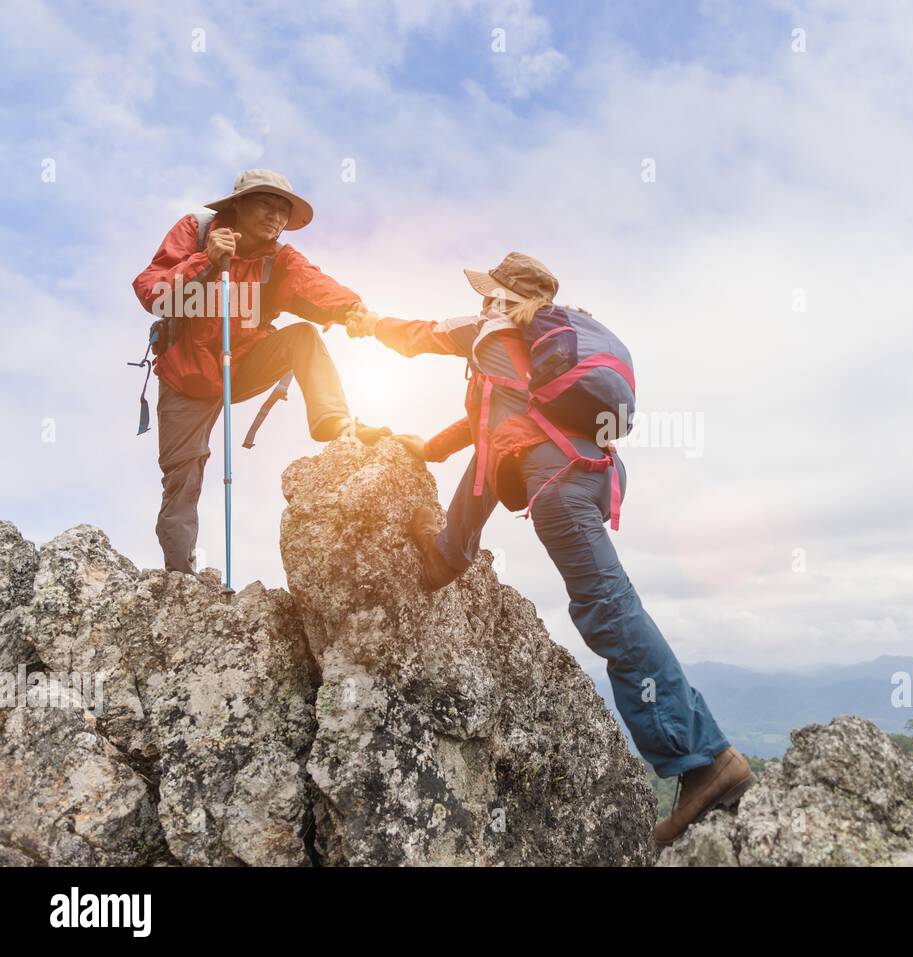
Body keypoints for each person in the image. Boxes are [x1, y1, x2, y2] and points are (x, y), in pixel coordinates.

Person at [345, 252, 754, 846]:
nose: (483, 303)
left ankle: (703, 761)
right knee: (611, 607)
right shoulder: (539, 347)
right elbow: (493, 424)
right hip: (586, 471)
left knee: (609, 611)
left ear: (502, 297)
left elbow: (417, 337)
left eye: (489, 294)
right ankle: (448, 553)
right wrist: (428, 452)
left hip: (558, 484)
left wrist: (363, 320)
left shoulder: (492, 328)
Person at [131, 169, 390, 573]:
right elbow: (152, 291)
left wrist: (352, 309)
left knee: (302, 337)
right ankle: (180, 579)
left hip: (244, 364)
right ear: (239, 204)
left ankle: (335, 424)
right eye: (266, 204)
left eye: (283, 211)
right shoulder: (196, 232)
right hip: (184, 378)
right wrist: (206, 260)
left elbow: (314, 286)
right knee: (182, 478)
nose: (276, 217)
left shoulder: (279, 259)